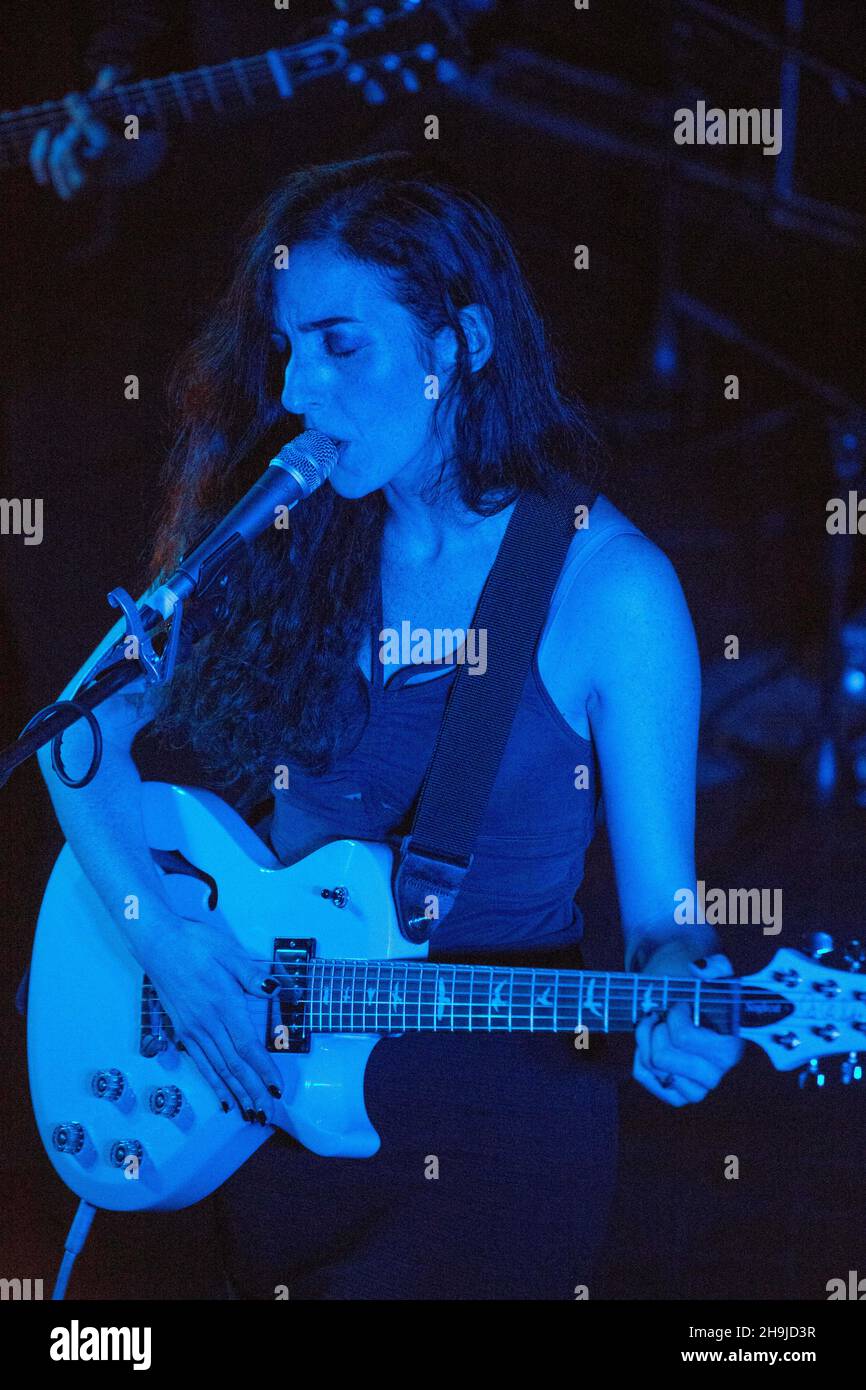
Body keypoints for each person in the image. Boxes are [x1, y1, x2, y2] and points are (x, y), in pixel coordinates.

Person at [38, 151, 743, 1299]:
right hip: (267, 1103)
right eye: (286, 349)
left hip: (493, 1133)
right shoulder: (287, 532)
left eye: (340, 344)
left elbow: (670, 921)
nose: (299, 393)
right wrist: (164, 933)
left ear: (458, 345)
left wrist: (685, 1002)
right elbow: (79, 738)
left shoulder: (607, 588)